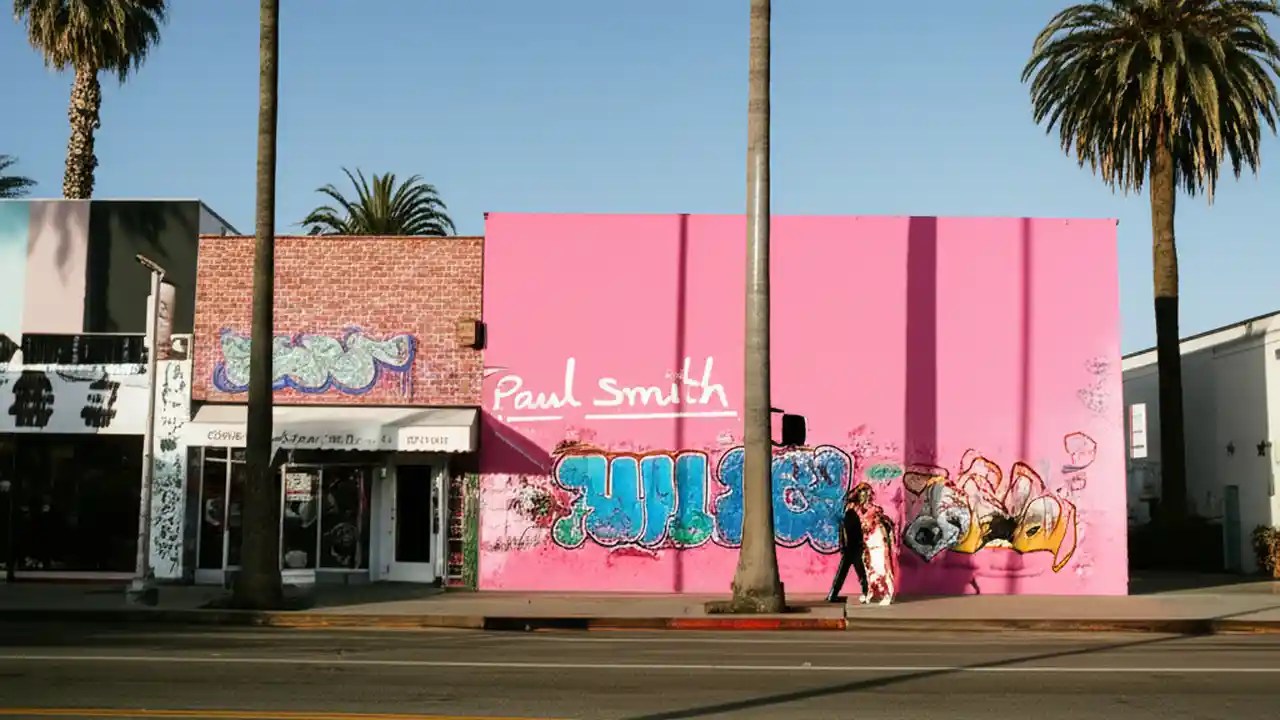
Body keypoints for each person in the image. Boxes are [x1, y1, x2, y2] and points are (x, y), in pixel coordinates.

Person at [827, 487, 869, 603]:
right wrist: (860, 545)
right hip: (853, 548)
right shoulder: (851, 514)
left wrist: (843, 547)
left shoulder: (847, 515)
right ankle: (866, 593)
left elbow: (844, 533)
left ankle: (833, 594)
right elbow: (854, 533)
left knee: (844, 572)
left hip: (849, 549)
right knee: (860, 572)